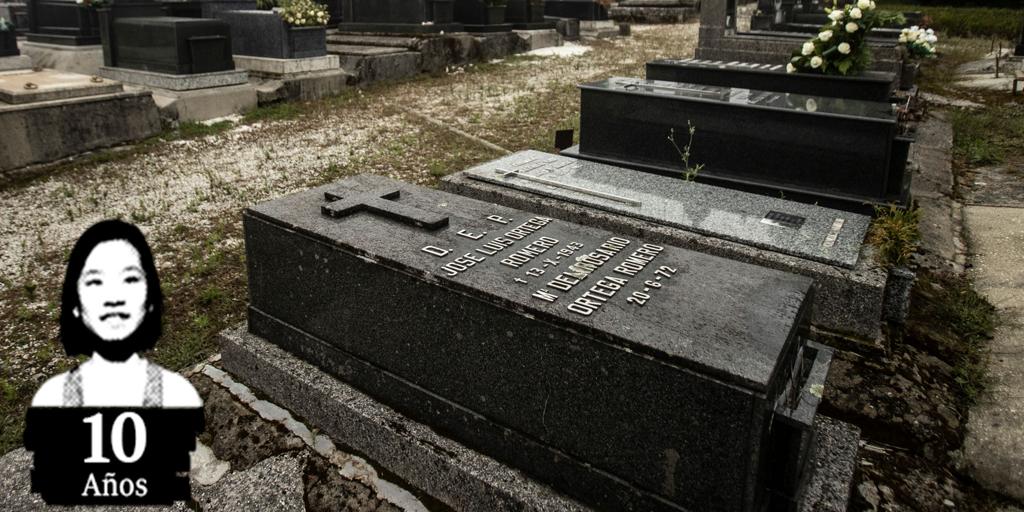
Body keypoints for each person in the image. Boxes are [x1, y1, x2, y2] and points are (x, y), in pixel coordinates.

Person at [31, 220, 201, 408]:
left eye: (129, 279)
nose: (114, 299)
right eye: (96, 282)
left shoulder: (177, 393)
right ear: (75, 304)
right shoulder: (52, 399)